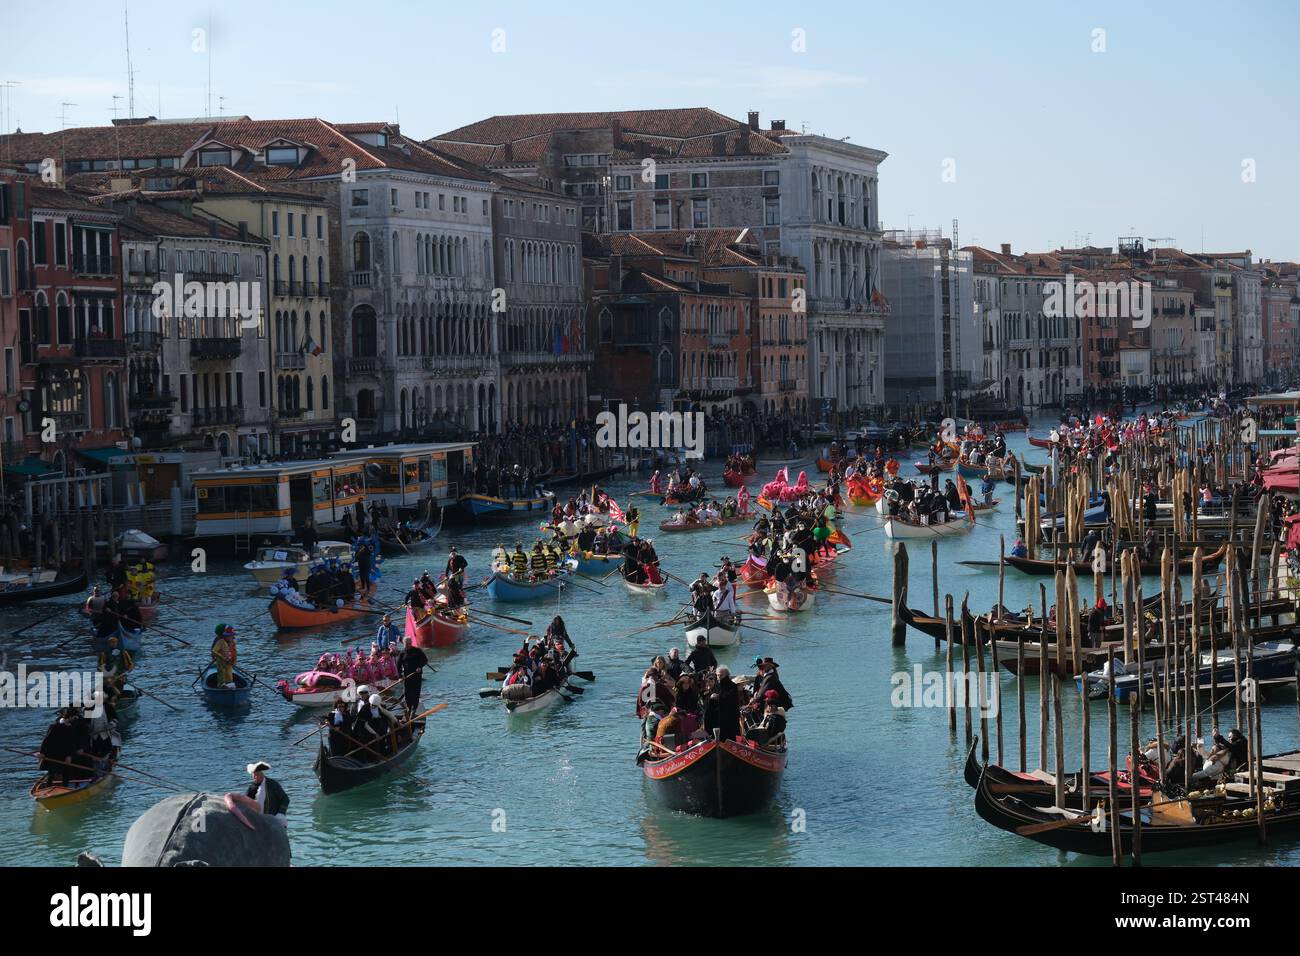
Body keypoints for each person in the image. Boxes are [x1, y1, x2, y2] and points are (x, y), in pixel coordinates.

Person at [239, 761, 290, 828]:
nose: (255, 777)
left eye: (257, 774)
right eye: (253, 775)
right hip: (259, 821)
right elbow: (246, 802)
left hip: (274, 819)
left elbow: (285, 799)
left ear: (262, 774)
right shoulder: (251, 788)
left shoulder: (272, 784)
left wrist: (281, 814)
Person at [396, 635, 428, 711]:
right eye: (406, 644)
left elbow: (425, 660)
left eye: (409, 643)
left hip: (417, 675)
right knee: (407, 694)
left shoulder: (417, 651)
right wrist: (400, 676)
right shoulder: (402, 653)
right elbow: (398, 665)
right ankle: (409, 708)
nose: (407, 645)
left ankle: (414, 709)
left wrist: (420, 667)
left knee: (416, 693)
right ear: (403, 643)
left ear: (411, 643)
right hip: (407, 676)